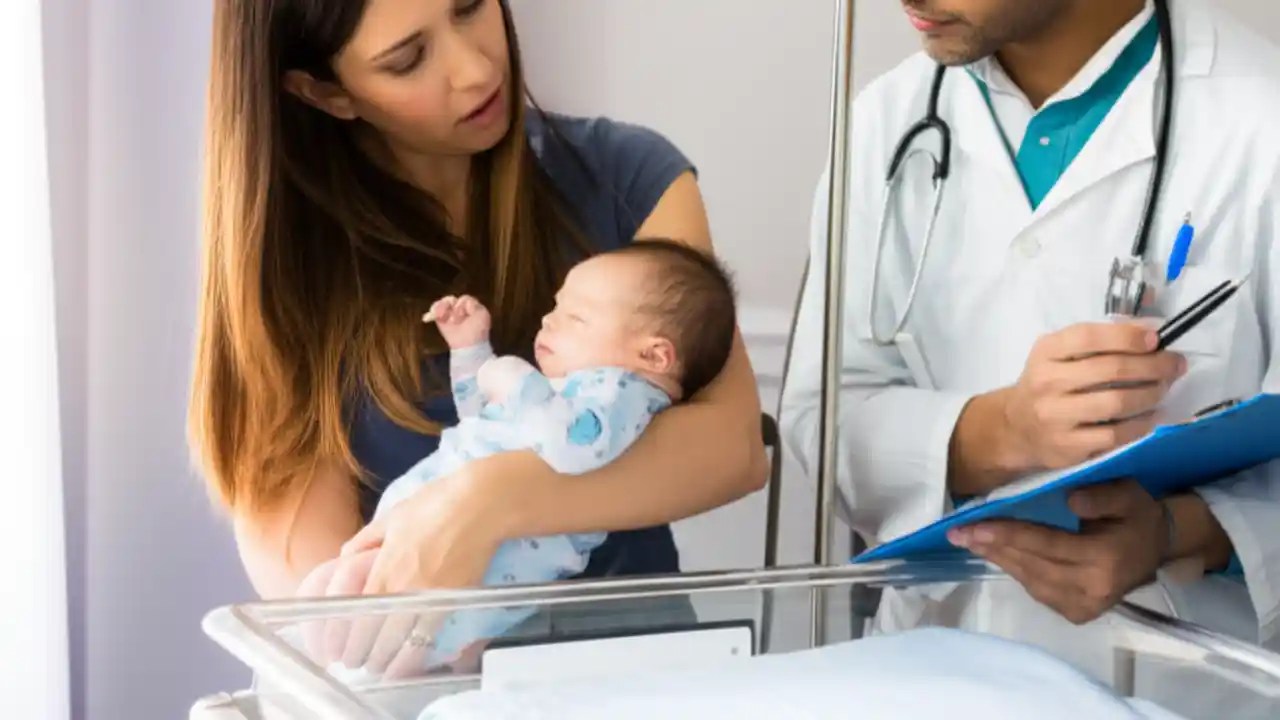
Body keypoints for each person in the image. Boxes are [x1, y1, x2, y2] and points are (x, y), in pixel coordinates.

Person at [189, 0, 766, 669]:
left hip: (642, 675)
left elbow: (732, 447)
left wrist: (483, 502)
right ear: (326, 92)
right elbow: (320, 588)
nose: (475, 68)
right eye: (407, 59)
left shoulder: (627, 176)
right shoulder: (288, 263)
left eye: (469, 7)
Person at [781, 0, 1280, 705]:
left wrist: (1178, 534)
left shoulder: (1261, 114)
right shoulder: (885, 121)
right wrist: (1001, 430)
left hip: (1183, 689)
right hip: (923, 679)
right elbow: (820, 419)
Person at [298, 240, 738, 669]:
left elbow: (575, 448)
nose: (549, 321)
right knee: (333, 614)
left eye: (576, 318)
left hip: (477, 564)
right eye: (556, 307)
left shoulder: (622, 394)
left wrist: (516, 380)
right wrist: (473, 352)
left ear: (653, 354)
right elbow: (485, 419)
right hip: (437, 545)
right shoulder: (571, 394)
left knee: (336, 624)